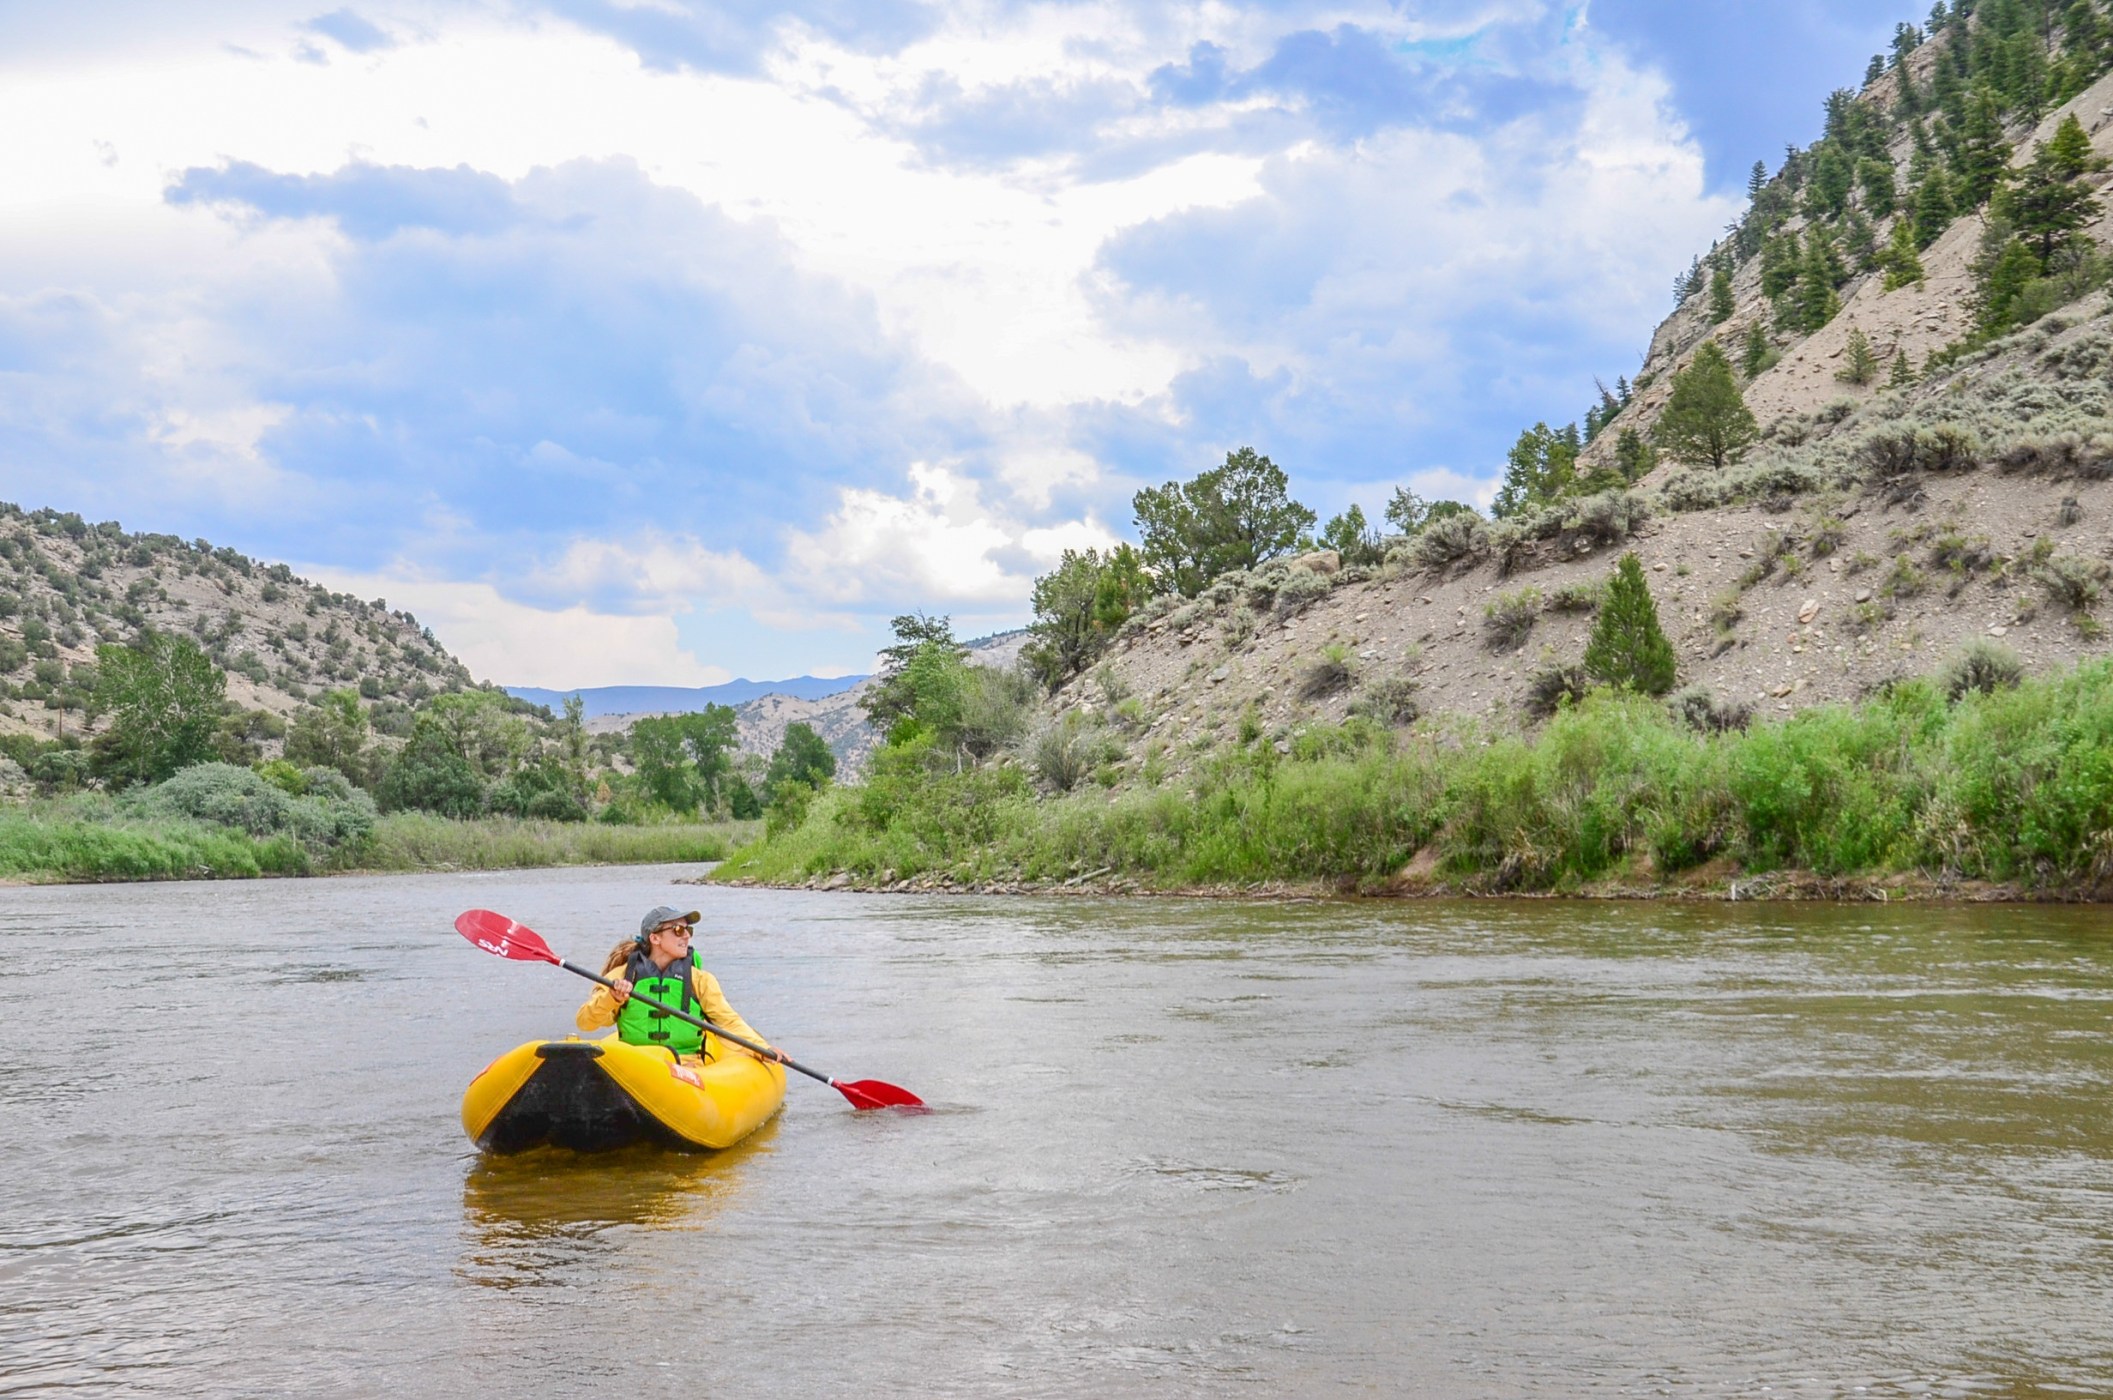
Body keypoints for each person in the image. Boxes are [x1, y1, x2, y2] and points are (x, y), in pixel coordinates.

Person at [575, 905, 770, 1064]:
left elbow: (728, 1022)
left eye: (688, 930)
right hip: (634, 1062)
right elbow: (585, 1022)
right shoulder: (621, 976)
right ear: (655, 938)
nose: (686, 936)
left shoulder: (699, 980)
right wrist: (612, 998)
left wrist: (761, 1048)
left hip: (685, 1063)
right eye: (678, 930)